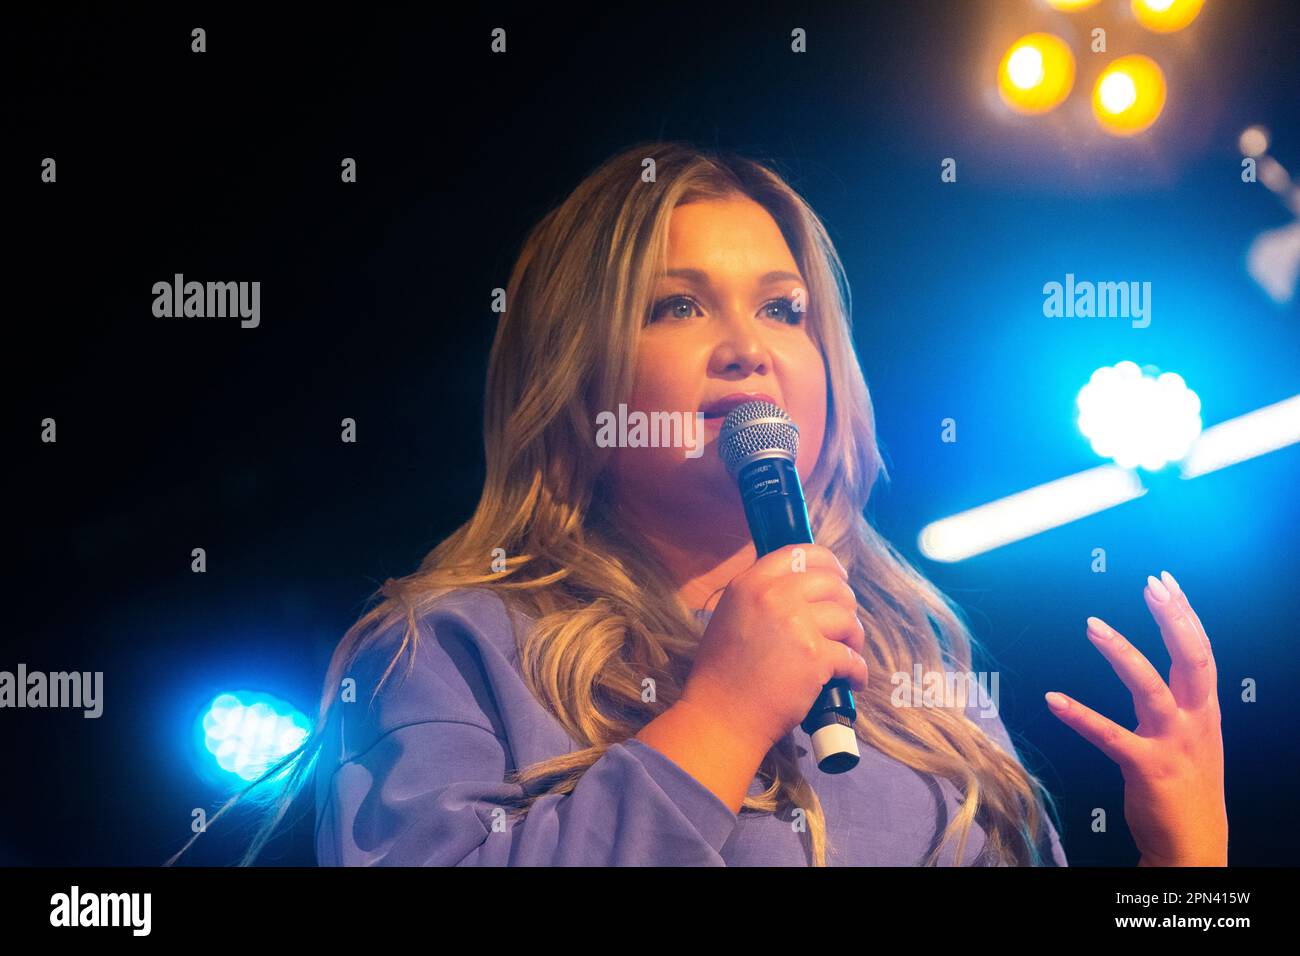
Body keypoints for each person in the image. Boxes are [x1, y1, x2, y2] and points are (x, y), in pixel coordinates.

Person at [169, 141, 1227, 867]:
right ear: (575, 381)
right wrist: (719, 716)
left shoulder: (922, 669)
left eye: (782, 308)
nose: (747, 347)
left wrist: (1185, 869)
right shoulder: (446, 645)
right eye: (676, 305)